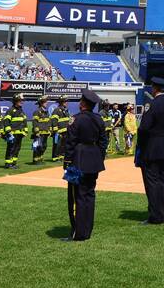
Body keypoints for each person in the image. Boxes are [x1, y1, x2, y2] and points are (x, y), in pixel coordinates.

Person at [62, 90, 108, 242]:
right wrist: (98, 157)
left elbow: (70, 143)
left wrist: (67, 161)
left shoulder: (75, 119)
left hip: (78, 159)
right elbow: (103, 142)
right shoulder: (99, 119)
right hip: (94, 160)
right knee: (89, 195)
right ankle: (87, 230)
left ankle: (78, 233)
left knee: (77, 197)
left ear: (83, 104)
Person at [136, 78, 164, 224]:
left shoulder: (152, 105)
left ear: (154, 88)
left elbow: (144, 128)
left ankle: (155, 215)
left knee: (152, 181)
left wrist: (140, 147)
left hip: (152, 147)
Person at [2, 96, 28, 169]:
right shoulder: (10, 110)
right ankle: (8, 163)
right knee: (11, 148)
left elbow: (24, 122)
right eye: (20, 101)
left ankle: (13, 163)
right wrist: (9, 132)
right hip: (13, 134)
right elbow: (6, 121)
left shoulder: (21, 110)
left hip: (20, 133)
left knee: (17, 148)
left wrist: (25, 131)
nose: (22, 102)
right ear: (16, 101)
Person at [31, 96, 53, 163]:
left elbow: (48, 122)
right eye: (45, 102)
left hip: (45, 133)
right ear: (41, 103)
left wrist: (49, 130)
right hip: (39, 133)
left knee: (44, 146)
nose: (46, 103)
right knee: (38, 146)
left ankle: (40, 158)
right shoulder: (37, 112)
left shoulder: (46, 112)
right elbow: (35, 122)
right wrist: (36, 131)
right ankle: (35, 159)